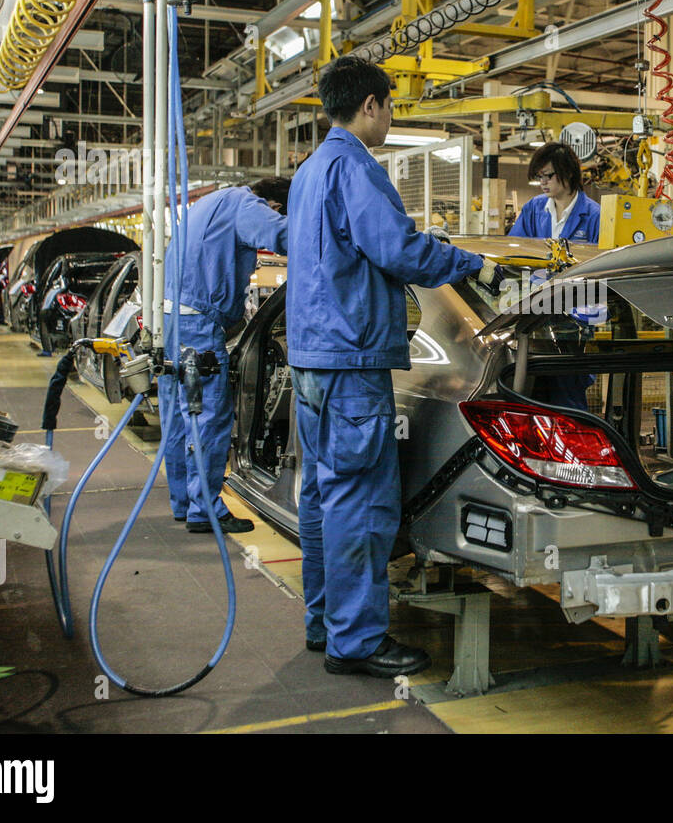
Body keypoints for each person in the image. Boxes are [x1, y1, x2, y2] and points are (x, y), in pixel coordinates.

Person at [288, 55, 498, 679]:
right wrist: (469, 263)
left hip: (312, 362)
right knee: (361, 504)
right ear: (372, 104)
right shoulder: (355, 167)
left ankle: (325, 623)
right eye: (389, 105)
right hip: (352, 365)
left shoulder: (308, 172)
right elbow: (398, 249)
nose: (390, 117)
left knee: (324, 497)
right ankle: (357, 642)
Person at [160, 176, 290, 534]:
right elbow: (284, 236)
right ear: (275, 206)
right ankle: (206, 510)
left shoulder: (209, 203)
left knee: (178, 418)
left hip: (172, 319)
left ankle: (184, 503)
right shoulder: (246, 206)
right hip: (199, 325)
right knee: (208, 418)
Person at [509, 142, 600, 243]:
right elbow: (515, 246)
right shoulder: (533, 209)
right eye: (539, 176)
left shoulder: (595, 216)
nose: (543, 182)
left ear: (568, 172)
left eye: (548, 175)